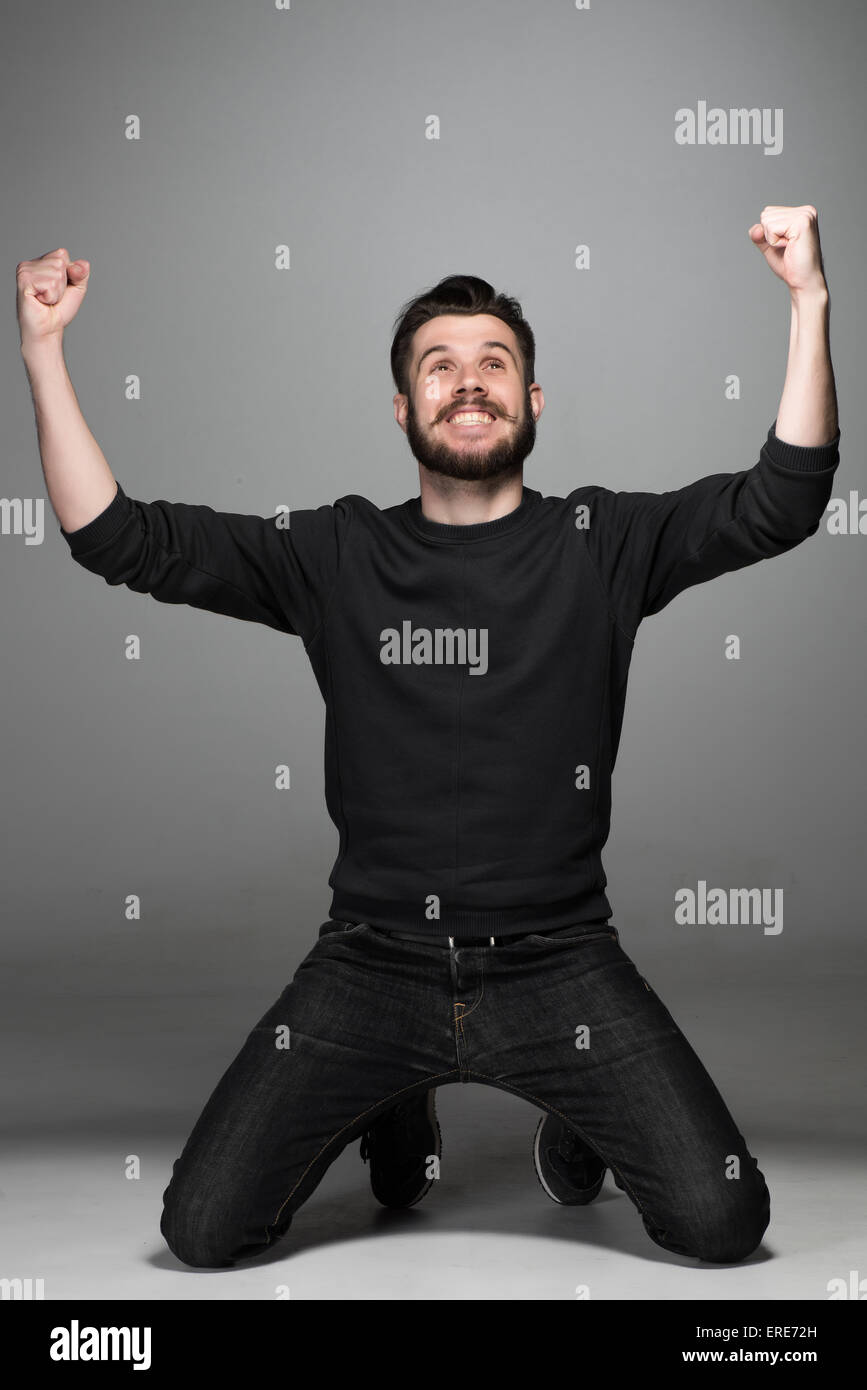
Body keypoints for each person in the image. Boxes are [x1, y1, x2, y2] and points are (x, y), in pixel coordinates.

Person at [16, 206, 839, 1269]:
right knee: (203, 1233)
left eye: (494, 362)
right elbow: (117, 538)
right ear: (403, 407)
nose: (469, 379)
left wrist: (810, 299)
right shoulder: (337, 551)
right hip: (372, 963)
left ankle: (573, 1103)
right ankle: (390, 1095)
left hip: (560, 964)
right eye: (440, 365)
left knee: (725, 1224)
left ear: (532, 402)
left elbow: (783, 500)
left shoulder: (604, 541)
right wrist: (42, 348)